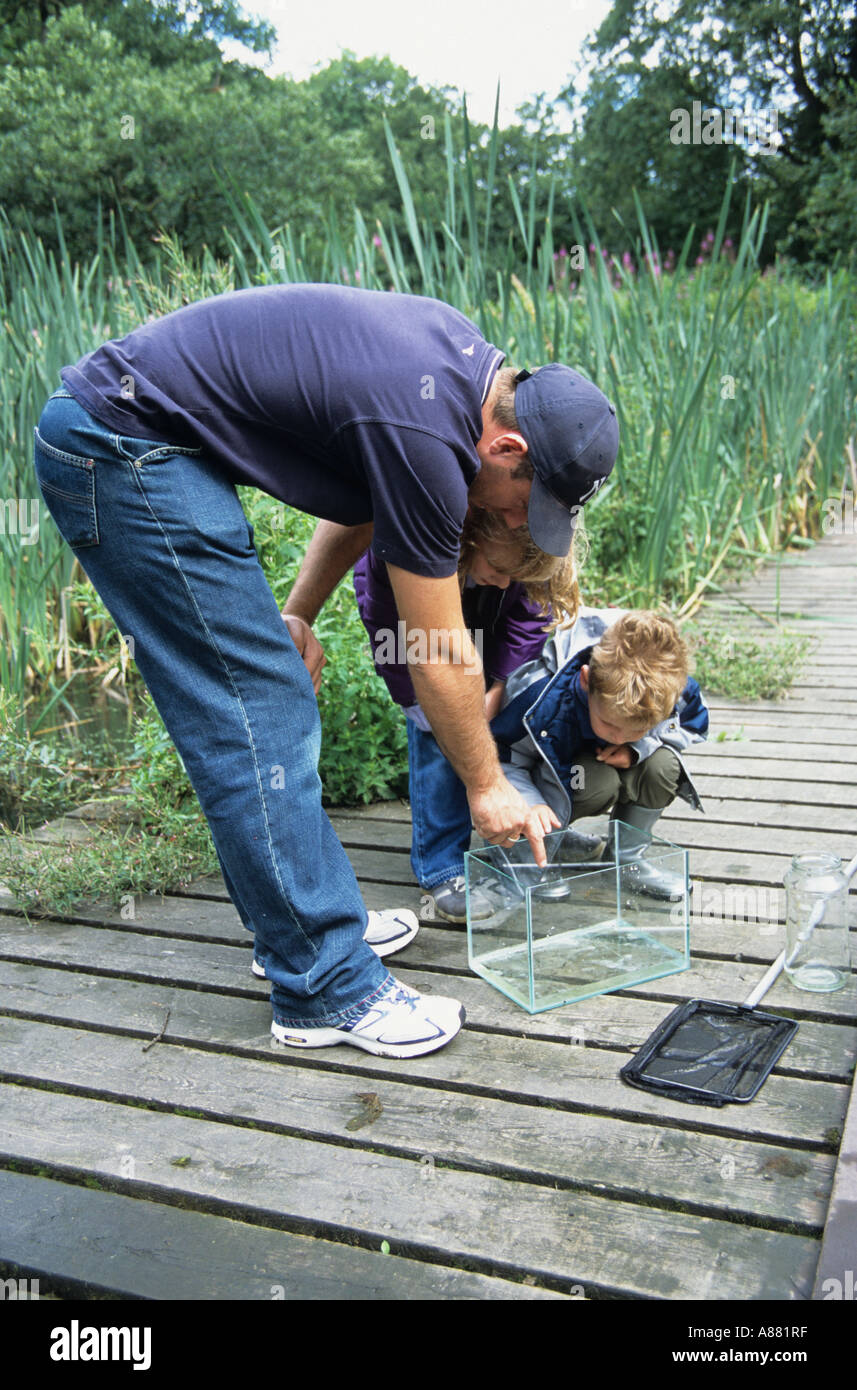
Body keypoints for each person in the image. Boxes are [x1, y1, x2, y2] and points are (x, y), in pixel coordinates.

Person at [32, 282, 618, 1058]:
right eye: (525, 505)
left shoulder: (459, 377)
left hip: (150, 446)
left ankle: (306, 921)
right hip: (122, 447)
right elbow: (437, 650)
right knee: (258, 712)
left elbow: (364, 501)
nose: (517, 522)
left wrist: (299, 611)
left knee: (265, 692)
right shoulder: (422, 426)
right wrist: (486, 784)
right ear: (506, 448)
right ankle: (322, 984)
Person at [354, 509, 591, 921]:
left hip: (488, 627)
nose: (504, 580)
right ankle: (442, 865)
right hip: (417, 627)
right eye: (499, 569)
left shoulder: (520, 567)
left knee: (502, 729)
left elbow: (527, 620)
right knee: (438, 739)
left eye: (512, 576)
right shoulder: (403, 549)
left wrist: (498, 683)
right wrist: (423, 702)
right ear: (472, 537)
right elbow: (387, 626)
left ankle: (524, 836)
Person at [492, 609, 708, 899]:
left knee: (664, 765)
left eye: (635, 728)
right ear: (586, 680)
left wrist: (638, 747)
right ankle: (527, 858)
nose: (617, 736)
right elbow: (502, 758)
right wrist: (530, 805)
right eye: (608, 724)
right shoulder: (541, 698)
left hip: (603, 761)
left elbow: (691, 727)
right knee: (596, 783)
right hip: (555, 772)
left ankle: (626, 859)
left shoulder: (673, 690)